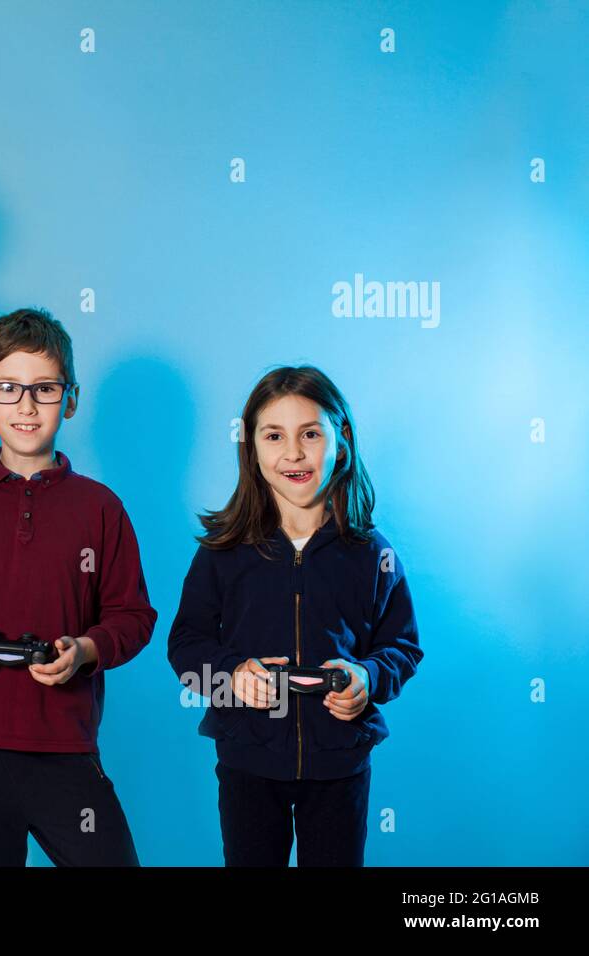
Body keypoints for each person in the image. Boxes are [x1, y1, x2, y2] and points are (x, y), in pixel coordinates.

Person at [0, 307, 156, 866]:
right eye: (8, 389)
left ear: (69, 399)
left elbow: (132, 615)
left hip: (62, 744)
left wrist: (85, 650)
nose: (26, 406)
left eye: (44, 389)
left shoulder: (100, 508)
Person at [167, 365, 423, 866]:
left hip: (340, 763)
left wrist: (367, 676)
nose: (293, 452)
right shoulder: (224, 551)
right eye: (274, 435)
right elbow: (186, 644)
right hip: (247, 760)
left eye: (310, 433)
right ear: (252, 447)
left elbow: (404, 647)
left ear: (341, 440)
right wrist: (231, 677)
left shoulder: (373, 553)